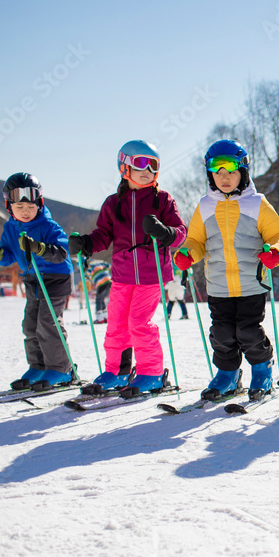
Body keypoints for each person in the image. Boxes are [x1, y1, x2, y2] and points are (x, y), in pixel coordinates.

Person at [68, 140, 186, 395]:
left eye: (153, 165)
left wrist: (165, 232)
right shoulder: (113, 203)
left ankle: (151, 373)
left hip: (151, 274)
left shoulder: (163, 200)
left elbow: (180, 233)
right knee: (117, 323)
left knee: (138, 322)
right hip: (121, 275)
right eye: (140, 163)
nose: (147, 170)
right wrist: (87, 243)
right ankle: (117, 372)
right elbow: (103, 235)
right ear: (124, 167)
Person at [174, 140, 279, 400]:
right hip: (218, 286)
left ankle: (262, 371)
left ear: (244, 171)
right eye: (218, 173)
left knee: (248, 331)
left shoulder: (257, 203)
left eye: (231, 172)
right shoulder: (204, 205)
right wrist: (187, 253)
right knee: (222, 333)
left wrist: (275, 252)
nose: (224, 178)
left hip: (251, 284)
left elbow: (278, 235)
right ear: (210, 175)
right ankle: (228, 375)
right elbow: (196, 241)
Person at [0, 173, 74, 389]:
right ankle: (38, 365)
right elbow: (9, 255)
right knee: (30, 324)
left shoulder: (49, 226)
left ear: (39, 204)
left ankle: (61, 369)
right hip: (32, 279)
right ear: (9, 207)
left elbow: (62, 253)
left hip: (56, 278)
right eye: (19, 207)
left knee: (48, 322)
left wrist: (39, 248)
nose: (25, 212)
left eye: (30, 207)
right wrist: (0, 255)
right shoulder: (10, 228)